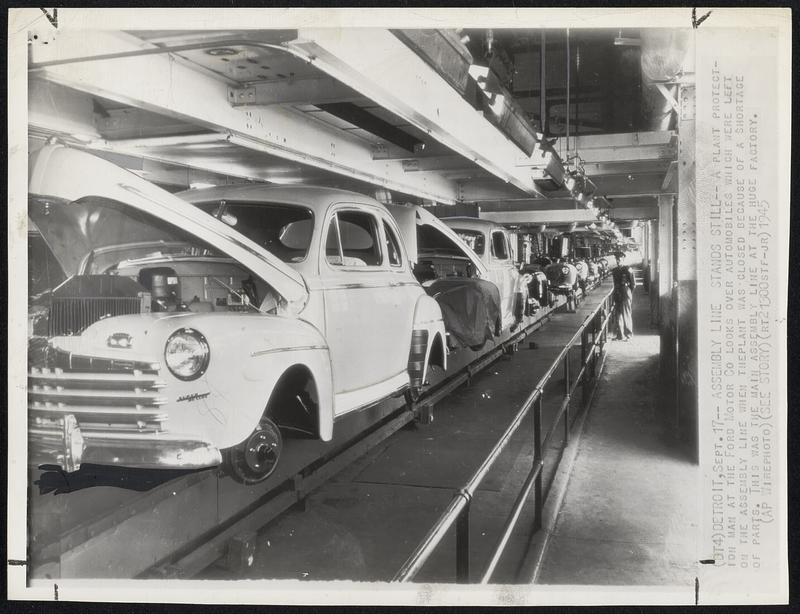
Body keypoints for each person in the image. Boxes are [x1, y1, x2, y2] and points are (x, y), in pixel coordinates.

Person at [611, 253, 636, 340]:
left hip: (625, 293)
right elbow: (614, 283)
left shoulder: (628, 269)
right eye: (617, 259)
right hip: (617, 293)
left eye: (620, 259)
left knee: (626, 314)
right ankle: (620, 335)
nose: (618, 261)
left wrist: (628, 293)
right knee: (618, 315)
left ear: (623, 260)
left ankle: (629, 334)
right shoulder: (615, 270)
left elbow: (633, 284)